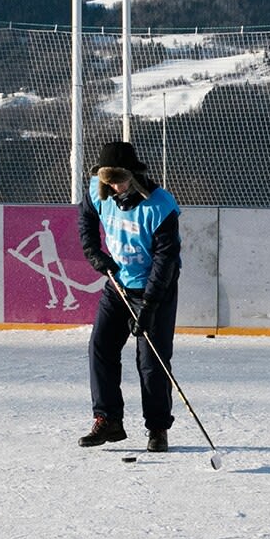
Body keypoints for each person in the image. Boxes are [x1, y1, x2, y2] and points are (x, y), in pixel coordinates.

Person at [75, 139, 182, 453]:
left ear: (134, 175)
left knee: (152, 361)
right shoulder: (98, 190)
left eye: (119, 180)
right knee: (101, 348)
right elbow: (86, 219)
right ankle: (108, 419)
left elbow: (165, 260)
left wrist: (148, 305)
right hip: (118, 285)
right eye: (108, 181)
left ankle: (158, 428)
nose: (115, 188)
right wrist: (94, 253)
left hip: (155, 289)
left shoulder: (160, 206)